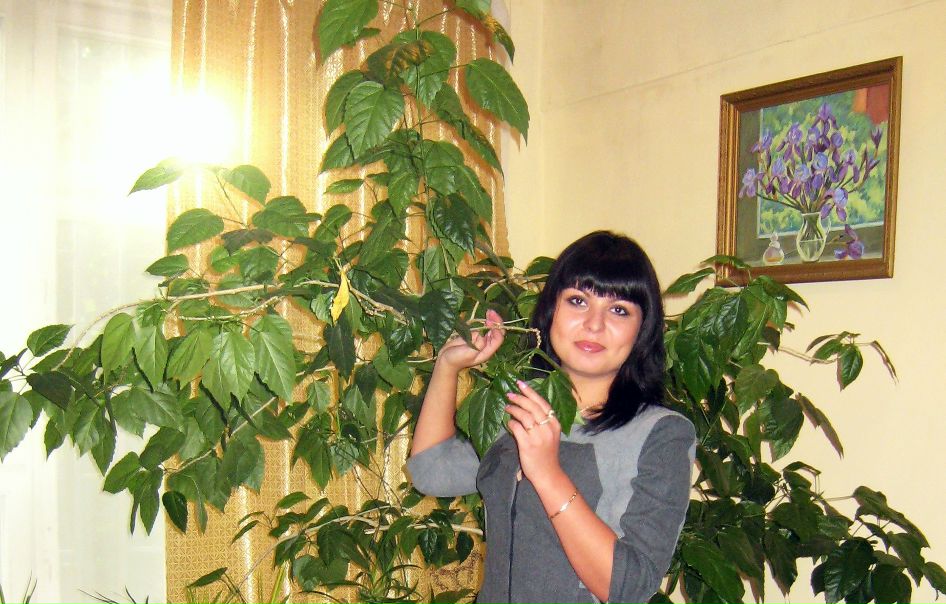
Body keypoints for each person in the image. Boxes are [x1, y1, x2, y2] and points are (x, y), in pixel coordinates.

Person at [407, 231, 696, 604]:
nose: (594, 324)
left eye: (619, 310)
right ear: (550, 311)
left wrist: (547, 473)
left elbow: (628, 587)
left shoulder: (662, 434)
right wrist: (447, 367)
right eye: (578, 301)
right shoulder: (522, 405)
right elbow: (431, 473)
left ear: (643, 329)